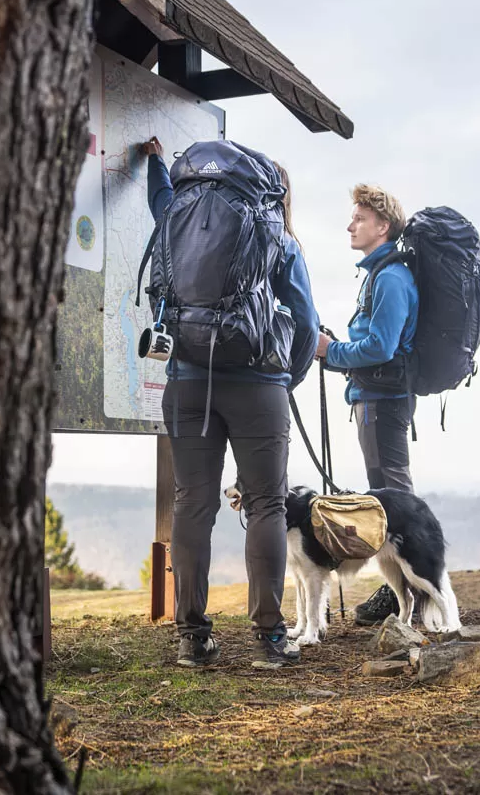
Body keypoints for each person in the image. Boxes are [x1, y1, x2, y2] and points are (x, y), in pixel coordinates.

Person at [142, 137, 319, 667]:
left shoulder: (178, 212)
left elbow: (158, 197)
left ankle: (192, 639)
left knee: (192, 503)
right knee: (266, 502)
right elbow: (306, 323)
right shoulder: (280, 239)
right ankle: (269, 638)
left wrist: (154, 163)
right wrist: (289, 376)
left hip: (187, 379)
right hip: (259, 384)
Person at [315, 184, 418, 625]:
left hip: (382, 403)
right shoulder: (380, 274)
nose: (350, 225)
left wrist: (328, 352)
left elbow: (379, 346)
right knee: (391, 498)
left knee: (394, 502)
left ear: (383, 225)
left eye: (359, 218)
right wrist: (336, 348)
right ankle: (405, 593)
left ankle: (413, 594)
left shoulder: (391, 278)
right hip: (376, 400)